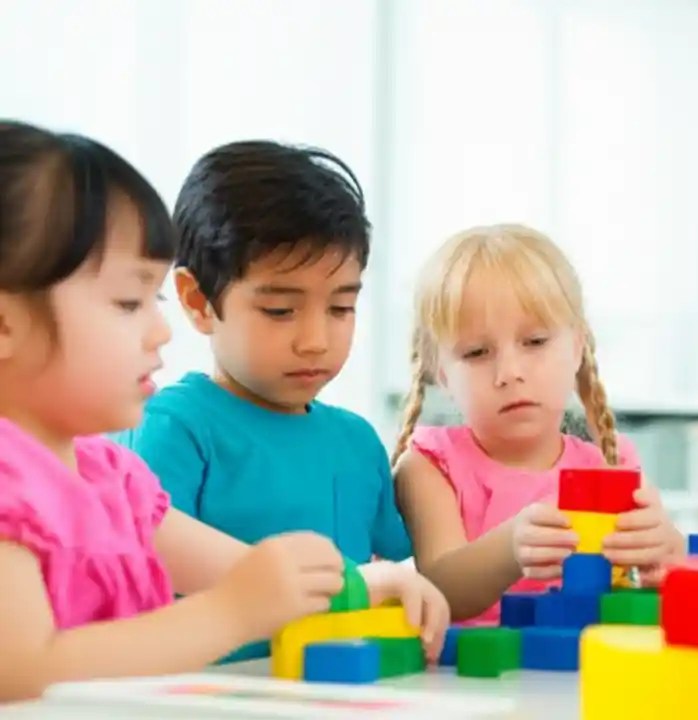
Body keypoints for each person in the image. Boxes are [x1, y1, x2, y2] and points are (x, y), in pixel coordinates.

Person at [0, 122, 445, 702]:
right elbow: (20, 671)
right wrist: (233, 614)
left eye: (154, 300)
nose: (160, 331)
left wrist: (366, 584)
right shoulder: (11, 484)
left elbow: (252, 570)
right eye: (128, 303)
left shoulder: (112, 480)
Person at [119, 141, 414, 659]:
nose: (315, 341)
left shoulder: (356, 442)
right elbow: (143, 572)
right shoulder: (176, 428)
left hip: (337, 684)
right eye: (280, 310)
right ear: (197, 301)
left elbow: (403, 572)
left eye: (341, 308)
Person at [393, 224, 683, 623]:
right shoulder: (429, 465)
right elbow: (440, 589)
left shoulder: (613, 464)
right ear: (441, 374)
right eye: (477, 353)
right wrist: (511, 546)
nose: (509, 372)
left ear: (578, 347)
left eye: (535, 342)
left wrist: (666, 550)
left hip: (586, 662)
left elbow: (654, 583)